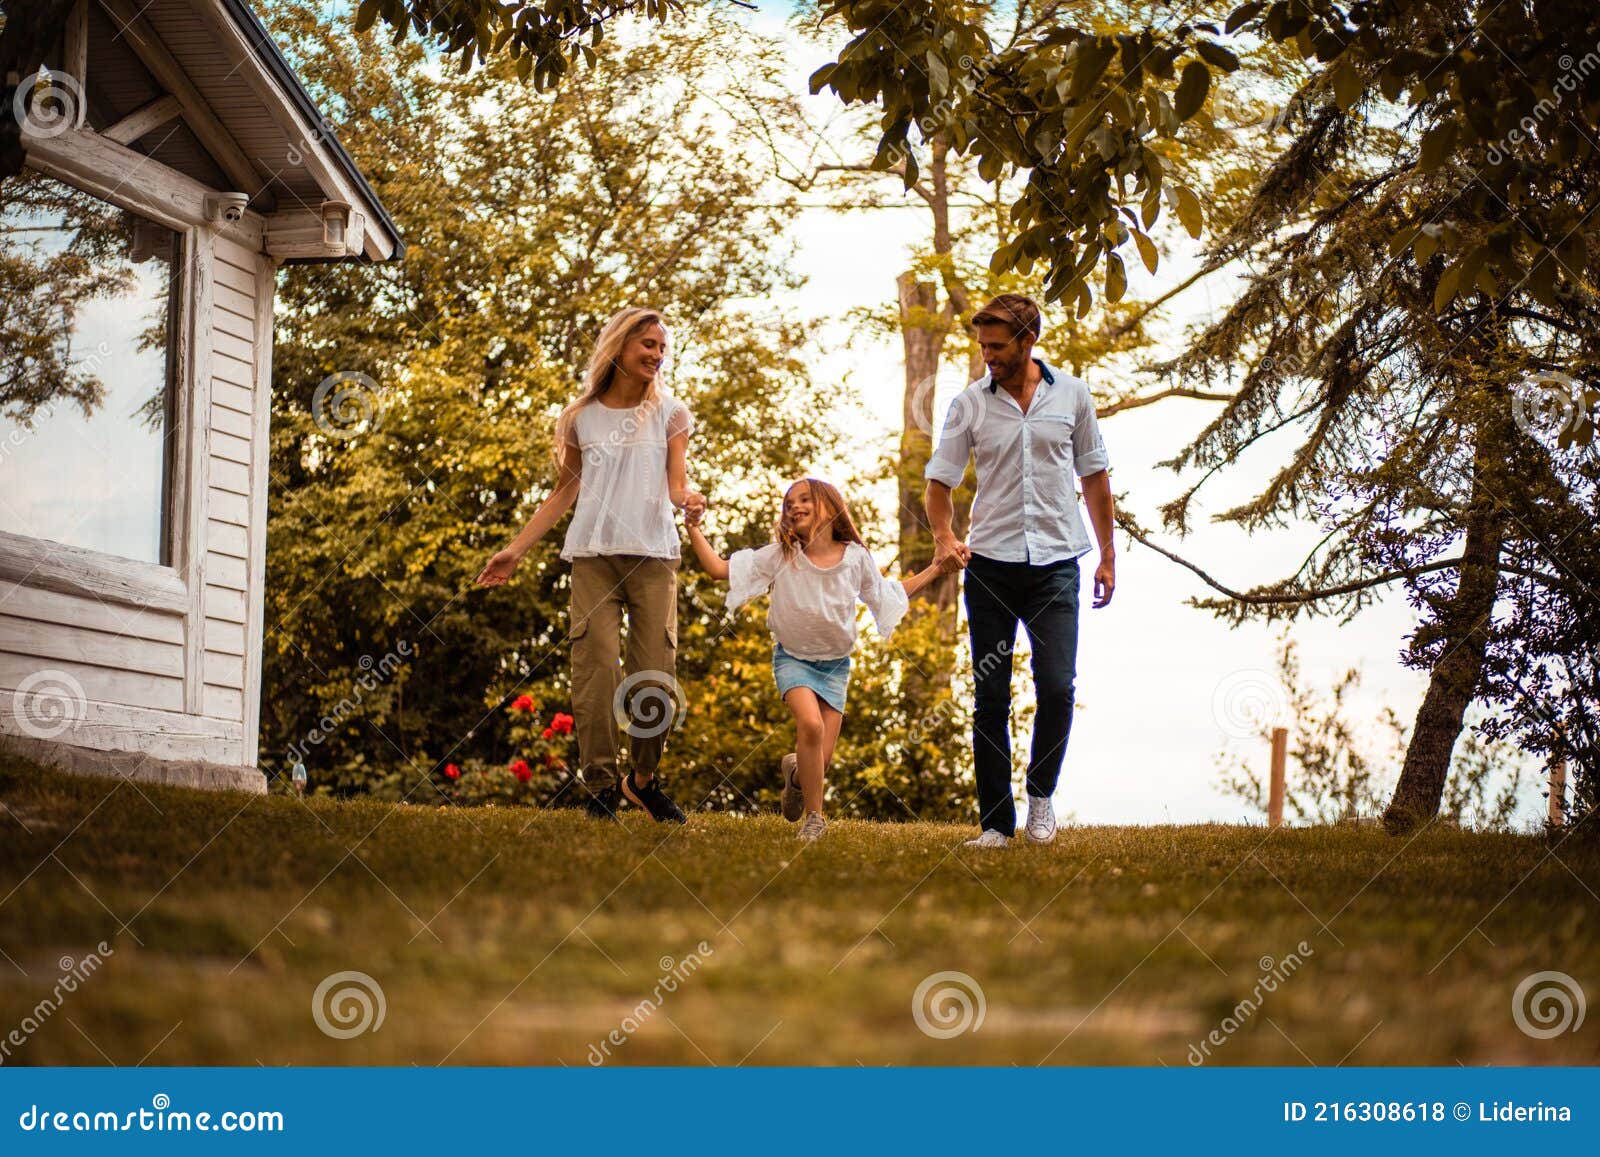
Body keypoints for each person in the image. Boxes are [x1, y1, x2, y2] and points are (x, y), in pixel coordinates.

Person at [476, 307, 703, 824]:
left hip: (653, 559)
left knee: (655, 680)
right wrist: (515, 549)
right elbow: (564, 492)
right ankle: (600, 789)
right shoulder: (582, 417)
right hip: (593, 559)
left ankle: (643, 782)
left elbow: (676, 484)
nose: (657, 355)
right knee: (597, 672)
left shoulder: (672, 414)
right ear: (619, 347)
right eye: (648, 344)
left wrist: (691, 498)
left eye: (662, 348)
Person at [924, 293, 1116, 848]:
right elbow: (940, 483)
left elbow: (1095, 477)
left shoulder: (1073, 395)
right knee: (991, 694)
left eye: (997, 345)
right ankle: (994, 826)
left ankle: (1041, 796)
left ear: (1028, 341)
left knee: (1057, 687)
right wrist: (944, 537)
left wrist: (1107, 555)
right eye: (982, 345)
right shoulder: (970, 405)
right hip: (990, 568)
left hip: (1057, 564)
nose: (988, 355)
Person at [685, 478, 951, 841]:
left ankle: (796, 775)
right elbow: (718, 569)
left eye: (805, 499)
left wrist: (937, 568)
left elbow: (888, 595)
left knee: (819, 762)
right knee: (810, 727)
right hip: (792, 659)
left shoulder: (855, 557)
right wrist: (693, 527)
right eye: (789, 503)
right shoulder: (783, 555)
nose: (795, 506)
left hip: (836, 666)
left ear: (828, 504)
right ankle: (815, 819)